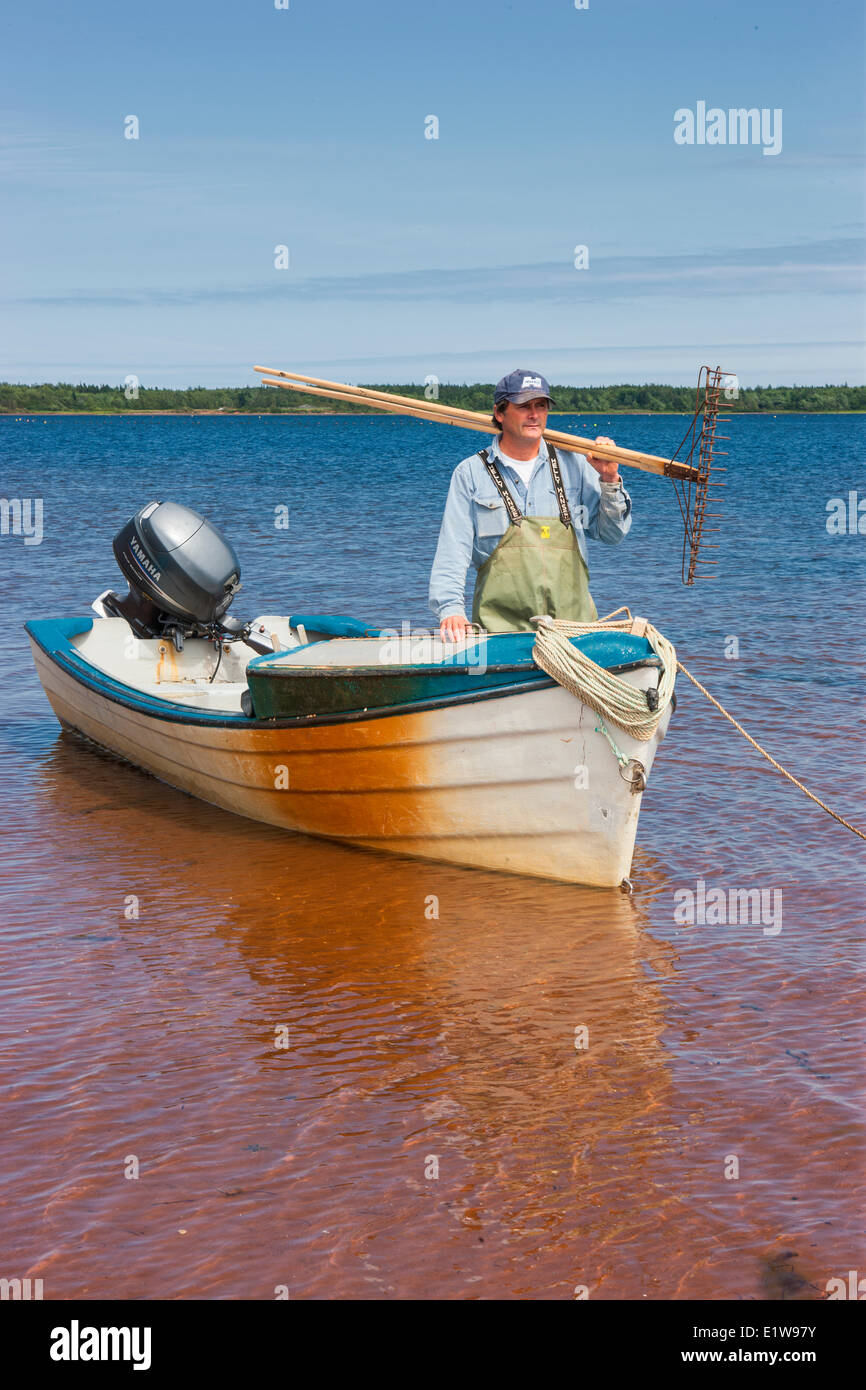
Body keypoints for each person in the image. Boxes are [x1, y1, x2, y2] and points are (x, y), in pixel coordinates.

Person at [429, 369, 632, 638]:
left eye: (541, 406)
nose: (534, 414)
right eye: (524, 406)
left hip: (576, 633)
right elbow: (453, 550)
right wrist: (451, 611)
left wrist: (609, 479)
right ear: (500, 413)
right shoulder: (470, 474)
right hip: (500, 635)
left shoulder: (576, 464)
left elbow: (612, 535)